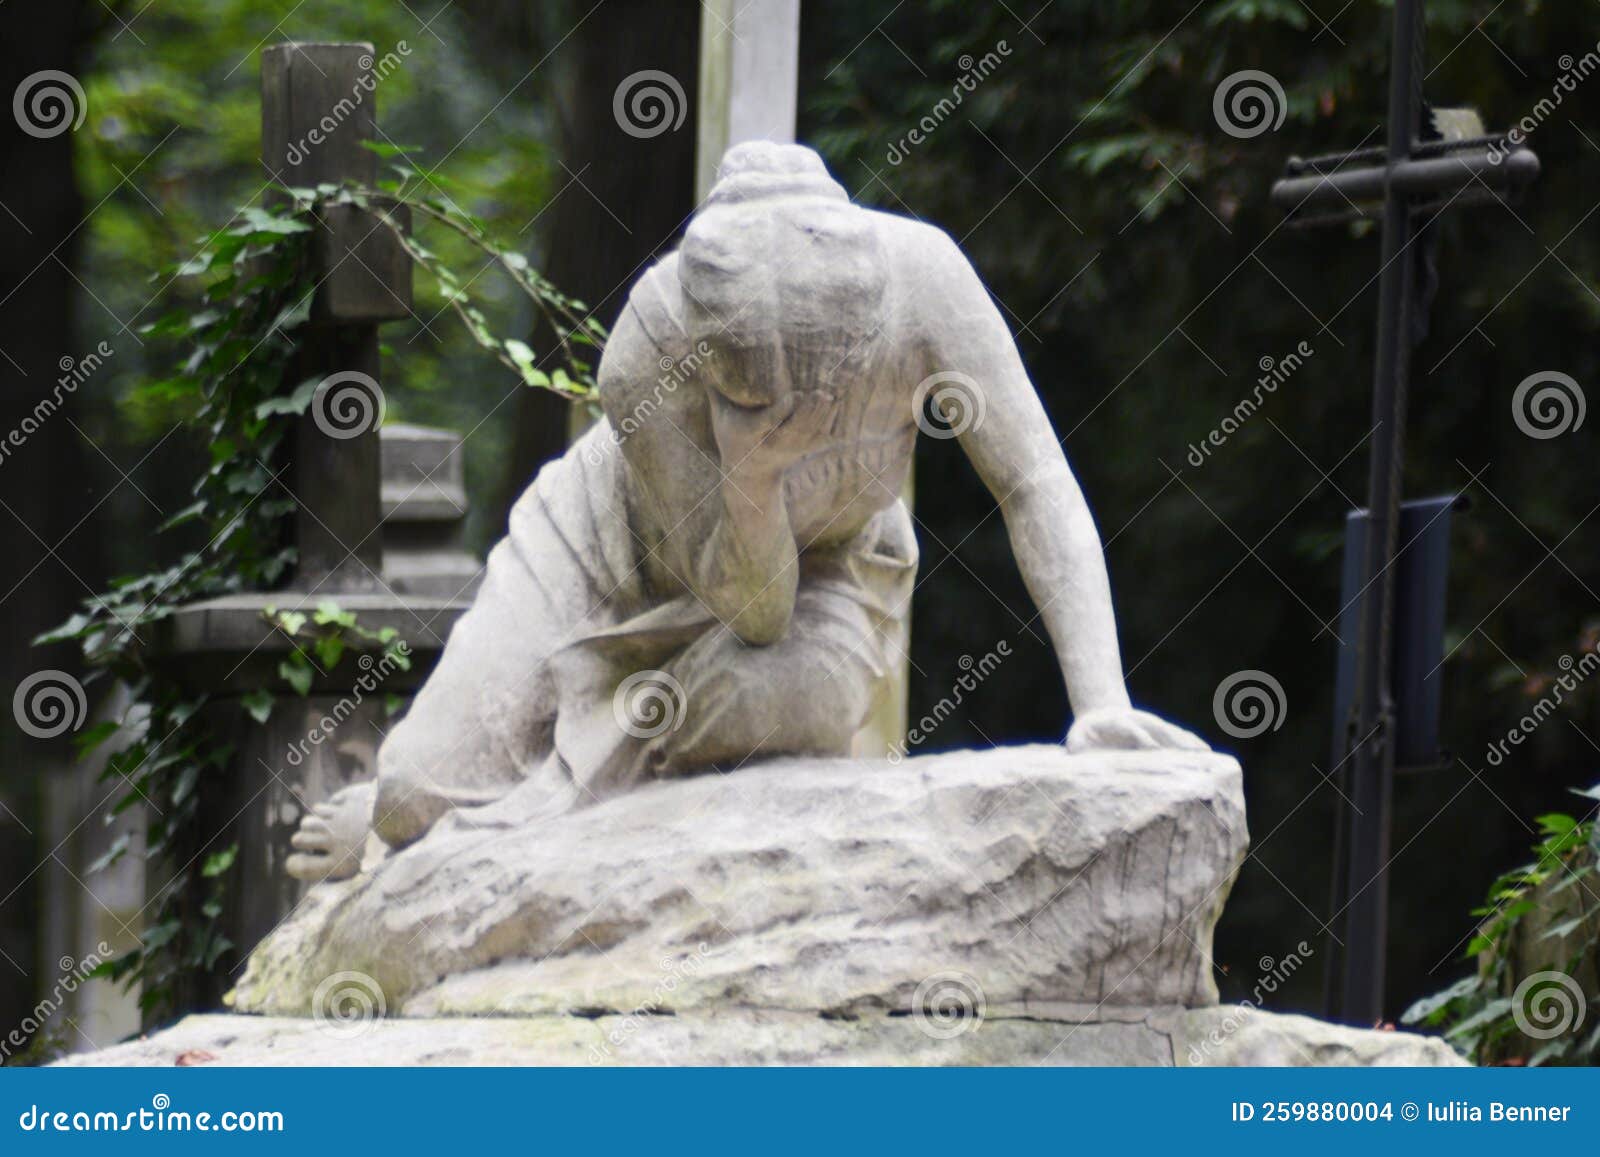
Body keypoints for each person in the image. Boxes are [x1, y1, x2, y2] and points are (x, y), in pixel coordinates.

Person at [288, 142, 1204, 883]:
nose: (786, 407)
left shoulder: (925, 282)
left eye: (809, 386)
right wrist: (755, 478)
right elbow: (746, 603)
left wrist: (1102, 704)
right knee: (411, 793)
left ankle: (577, 779)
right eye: (750, 386)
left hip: (827, 586)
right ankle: (456, 793)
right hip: (606, 553)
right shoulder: (647, 349)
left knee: (774, 703)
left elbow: (1034, 483)